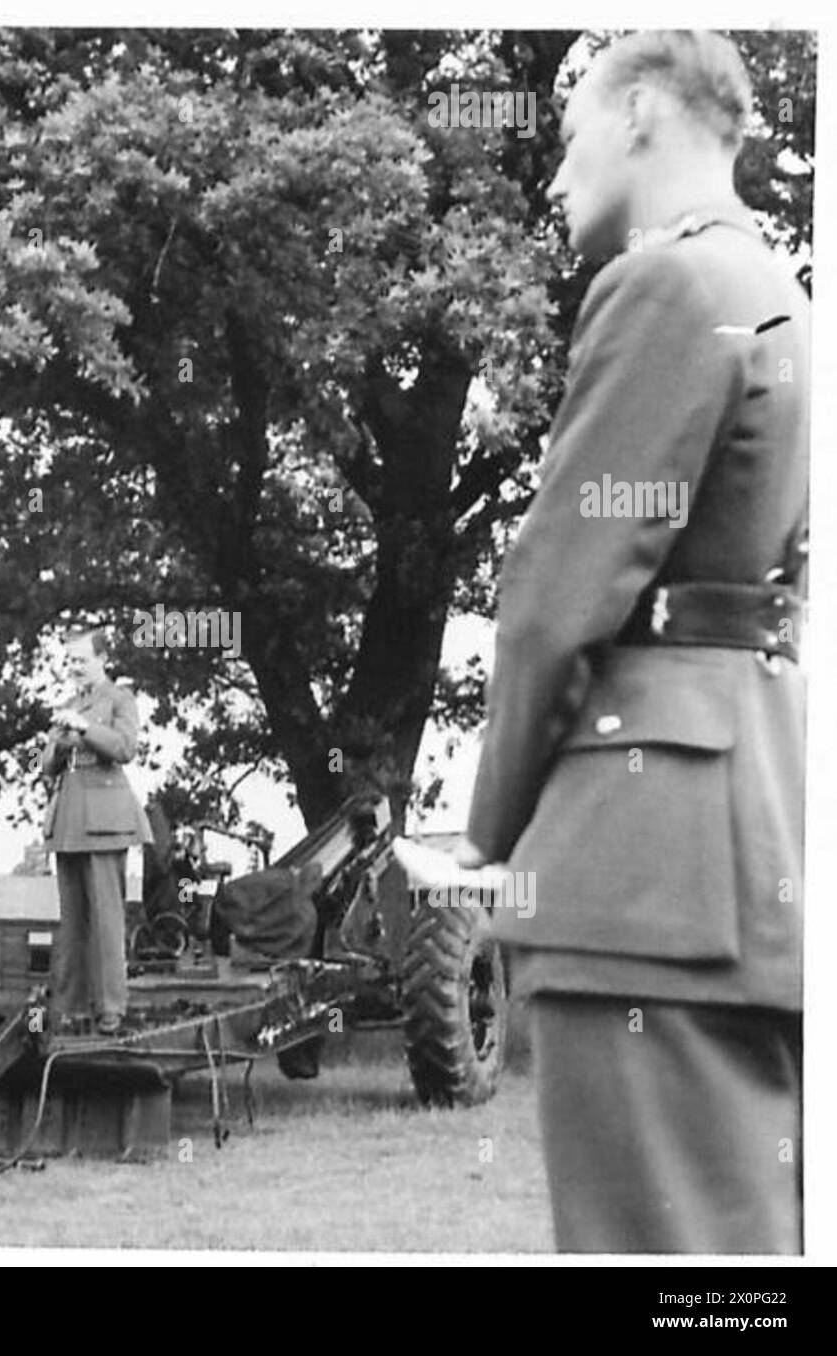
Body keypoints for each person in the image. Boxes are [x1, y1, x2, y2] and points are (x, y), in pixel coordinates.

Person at [414, 31, 807, 1252]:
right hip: (757, 829)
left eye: (571, 130)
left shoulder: (665, 286)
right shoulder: (784, 297)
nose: (551, 172)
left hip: (644, 874)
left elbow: (554, 593)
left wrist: (487, 838)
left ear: (638, 111)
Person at [41, 630, 152, 1036]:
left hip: (106, 819)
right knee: (71, 920)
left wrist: (84, 728)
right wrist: (60, 742)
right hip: (68, 819)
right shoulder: (67, 706)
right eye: (69, 661)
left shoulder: (119, 698)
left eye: (80, 659)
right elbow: (46, 765)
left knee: (107, 918)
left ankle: (110, 1009)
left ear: (102, 658)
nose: (73, 667)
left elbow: (125, 748)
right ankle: (69, 1007)